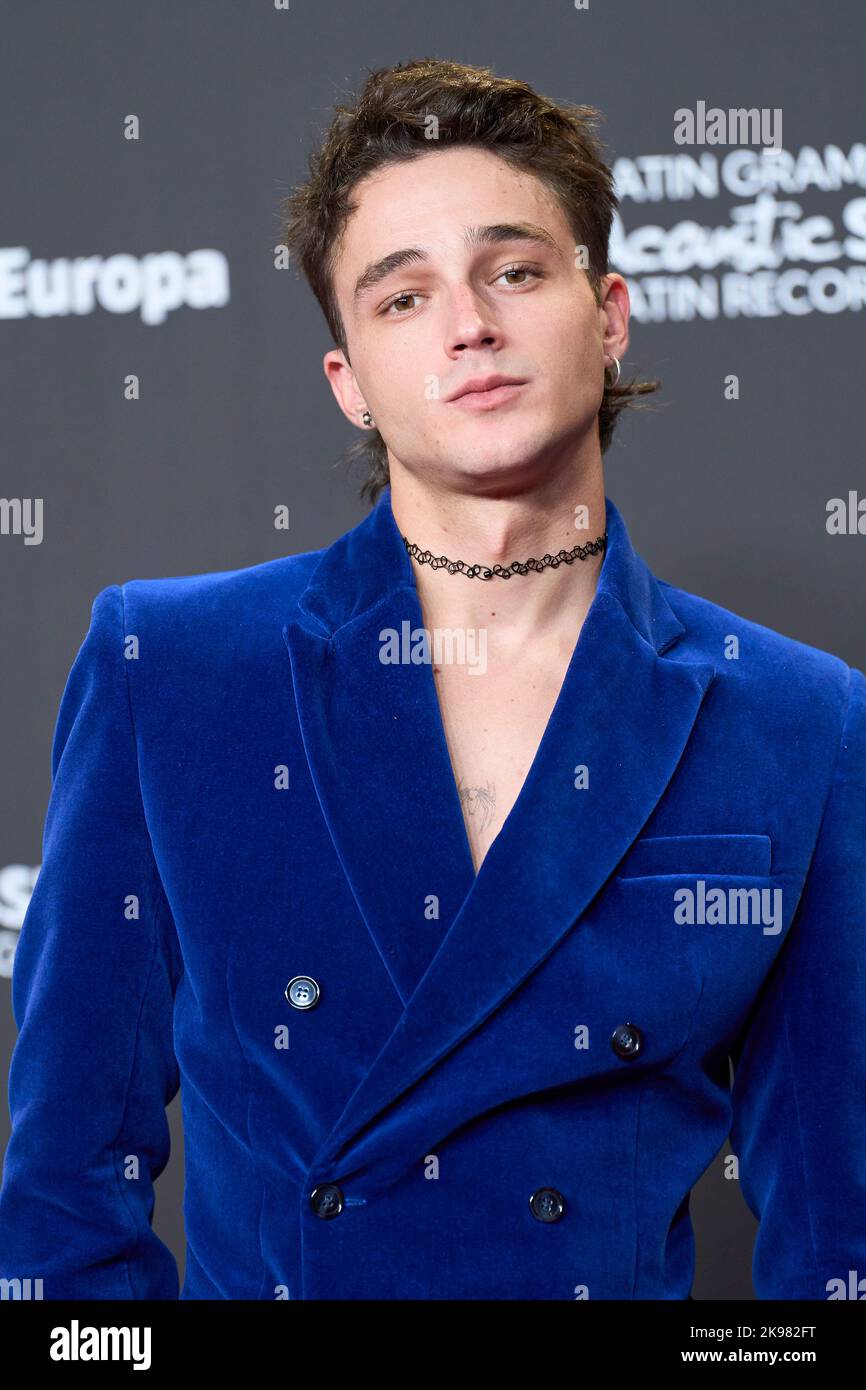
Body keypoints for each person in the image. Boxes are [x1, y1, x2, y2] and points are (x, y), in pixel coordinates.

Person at [1, 58, 863, 1302]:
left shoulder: (794, 717)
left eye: (513, 271)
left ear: (607, 312)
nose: (469, 324)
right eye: (400, 299)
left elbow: (836, 1239)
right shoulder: (173, 668)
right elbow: (65, 1193)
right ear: (349, 379)